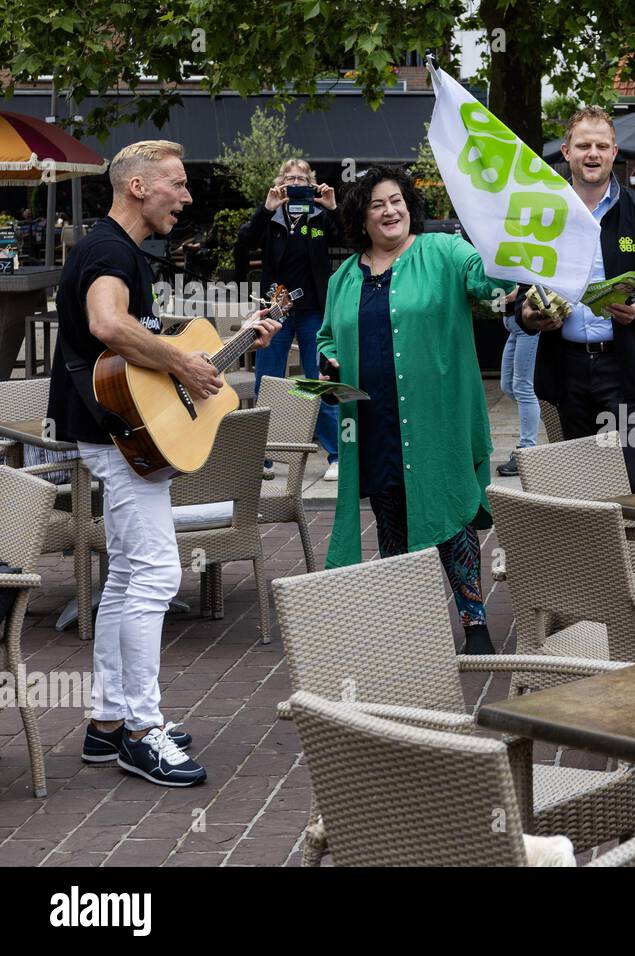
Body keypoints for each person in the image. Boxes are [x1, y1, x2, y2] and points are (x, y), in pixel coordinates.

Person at [46, 140, 280, 787]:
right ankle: (143, 732)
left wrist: (207, 350)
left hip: (115, 436)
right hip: (116, 437)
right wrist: (180, 362)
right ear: (139, 186)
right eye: (176, 183)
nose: (187, 195)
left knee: (126, 577)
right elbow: (106, 324)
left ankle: (108, 723)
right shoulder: (109, 250)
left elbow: (140, 339)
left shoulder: (118, 251)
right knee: (154, 573)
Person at [317, 165, 503, 655]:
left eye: (396, 200)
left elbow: (485, 282)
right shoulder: (342, 278)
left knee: (453, 513)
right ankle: (407, 628)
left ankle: (476, 627)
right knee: (391, 521)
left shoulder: (443, 252)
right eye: (377, 204)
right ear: (361, 218)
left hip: (435, 421)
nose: (390, 210)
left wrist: (501, 249)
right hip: (374, 425)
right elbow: (327, 336)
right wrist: (328, 358)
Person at [517, 106, 635, 493]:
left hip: (627, 370)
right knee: (580, 487)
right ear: (566, 152)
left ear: (615, 152)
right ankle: (592, 554)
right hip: (566, 369)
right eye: (583, 145)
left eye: (602, 145)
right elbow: (522, 290)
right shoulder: (544, 218)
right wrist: (527, 314)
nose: (593, 154)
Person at [236, 159, 342, 481]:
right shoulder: (272, 218)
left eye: (301, 179)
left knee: (317, 379)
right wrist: (266, 210)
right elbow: (243, 243)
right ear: (280, 184)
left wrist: (332, 208)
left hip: (313, 310)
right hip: (276, 310)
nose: (295, 183)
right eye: (289, 178)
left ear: (311, 184)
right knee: (266, 381)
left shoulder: (318, 217)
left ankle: (336, 455)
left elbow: (346, 240)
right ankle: (262, 457)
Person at [495, 305, 539, 477]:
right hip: (514, 327)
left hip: (528, 328)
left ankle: (527, 451)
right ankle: (561, 423)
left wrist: (511, 294)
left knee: (523, 387)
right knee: (507, 386)